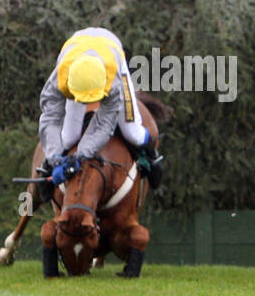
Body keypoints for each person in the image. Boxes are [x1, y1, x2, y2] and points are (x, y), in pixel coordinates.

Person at [37, 28, 163, 194]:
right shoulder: (59, 79)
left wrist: (80, 156)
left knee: (132, 133)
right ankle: (46, 167)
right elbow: (50, 119)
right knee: (68, 139)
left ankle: (151, 154)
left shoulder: (114, 82)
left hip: (113, 55)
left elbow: (104, 124)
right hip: (78, 54)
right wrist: (54, 158)